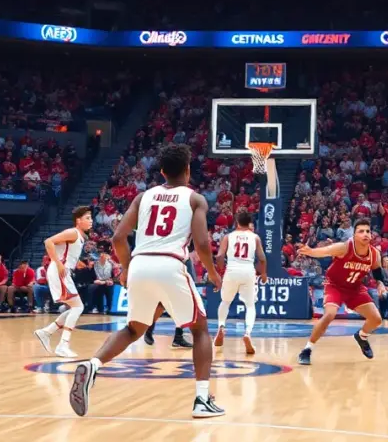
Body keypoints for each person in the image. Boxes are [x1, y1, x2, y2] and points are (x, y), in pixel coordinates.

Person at [69, 144, 224, 419]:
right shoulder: (195, 199)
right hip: (169, 263)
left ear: (162, 171)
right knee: (200, 329)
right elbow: (201, 243)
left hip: (140, 264)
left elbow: (118, 238)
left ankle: (93, 364)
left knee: (133, 329)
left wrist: (127, 268)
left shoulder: (143, 197)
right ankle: (202, 399)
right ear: (188, 170)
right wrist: (212, 273)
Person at [295, 217, 386, 364]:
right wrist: (310, 251)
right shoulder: (345, 247)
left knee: (376, 319)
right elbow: (325, 251)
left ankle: (361, 337)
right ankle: (307, 349)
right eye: (361, 231)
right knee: (329, 314)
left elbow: (377, 271)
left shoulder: (374, 254)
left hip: (355, 288)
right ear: (354, 235)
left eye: (367, 231)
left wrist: (380, 284)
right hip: (335, 285)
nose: (365, 234)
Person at [35, 206, 93, 358]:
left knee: (75, 307)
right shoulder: (72, 232)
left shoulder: (80, 237)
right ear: (78, 220)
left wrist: (77, 263)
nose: (91, 221)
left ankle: (47, 332)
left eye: (91, 218)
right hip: (59, 270)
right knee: (78, 307)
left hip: (64, 271)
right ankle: (62, 345)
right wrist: (58, 263)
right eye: (87, 218)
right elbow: (48, 242)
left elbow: (67, 253)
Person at [214, 210, 266, 355]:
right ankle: (247, 333)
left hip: (232, 269)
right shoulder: (255, 237)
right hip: (248, 270)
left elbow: (219, 256)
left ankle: (221, 326)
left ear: (237, 222)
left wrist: (220, 270)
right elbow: (262, 258)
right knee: (250, 305)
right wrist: (263, 273)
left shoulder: (228, 237)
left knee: (225, 302)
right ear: (249, 223)